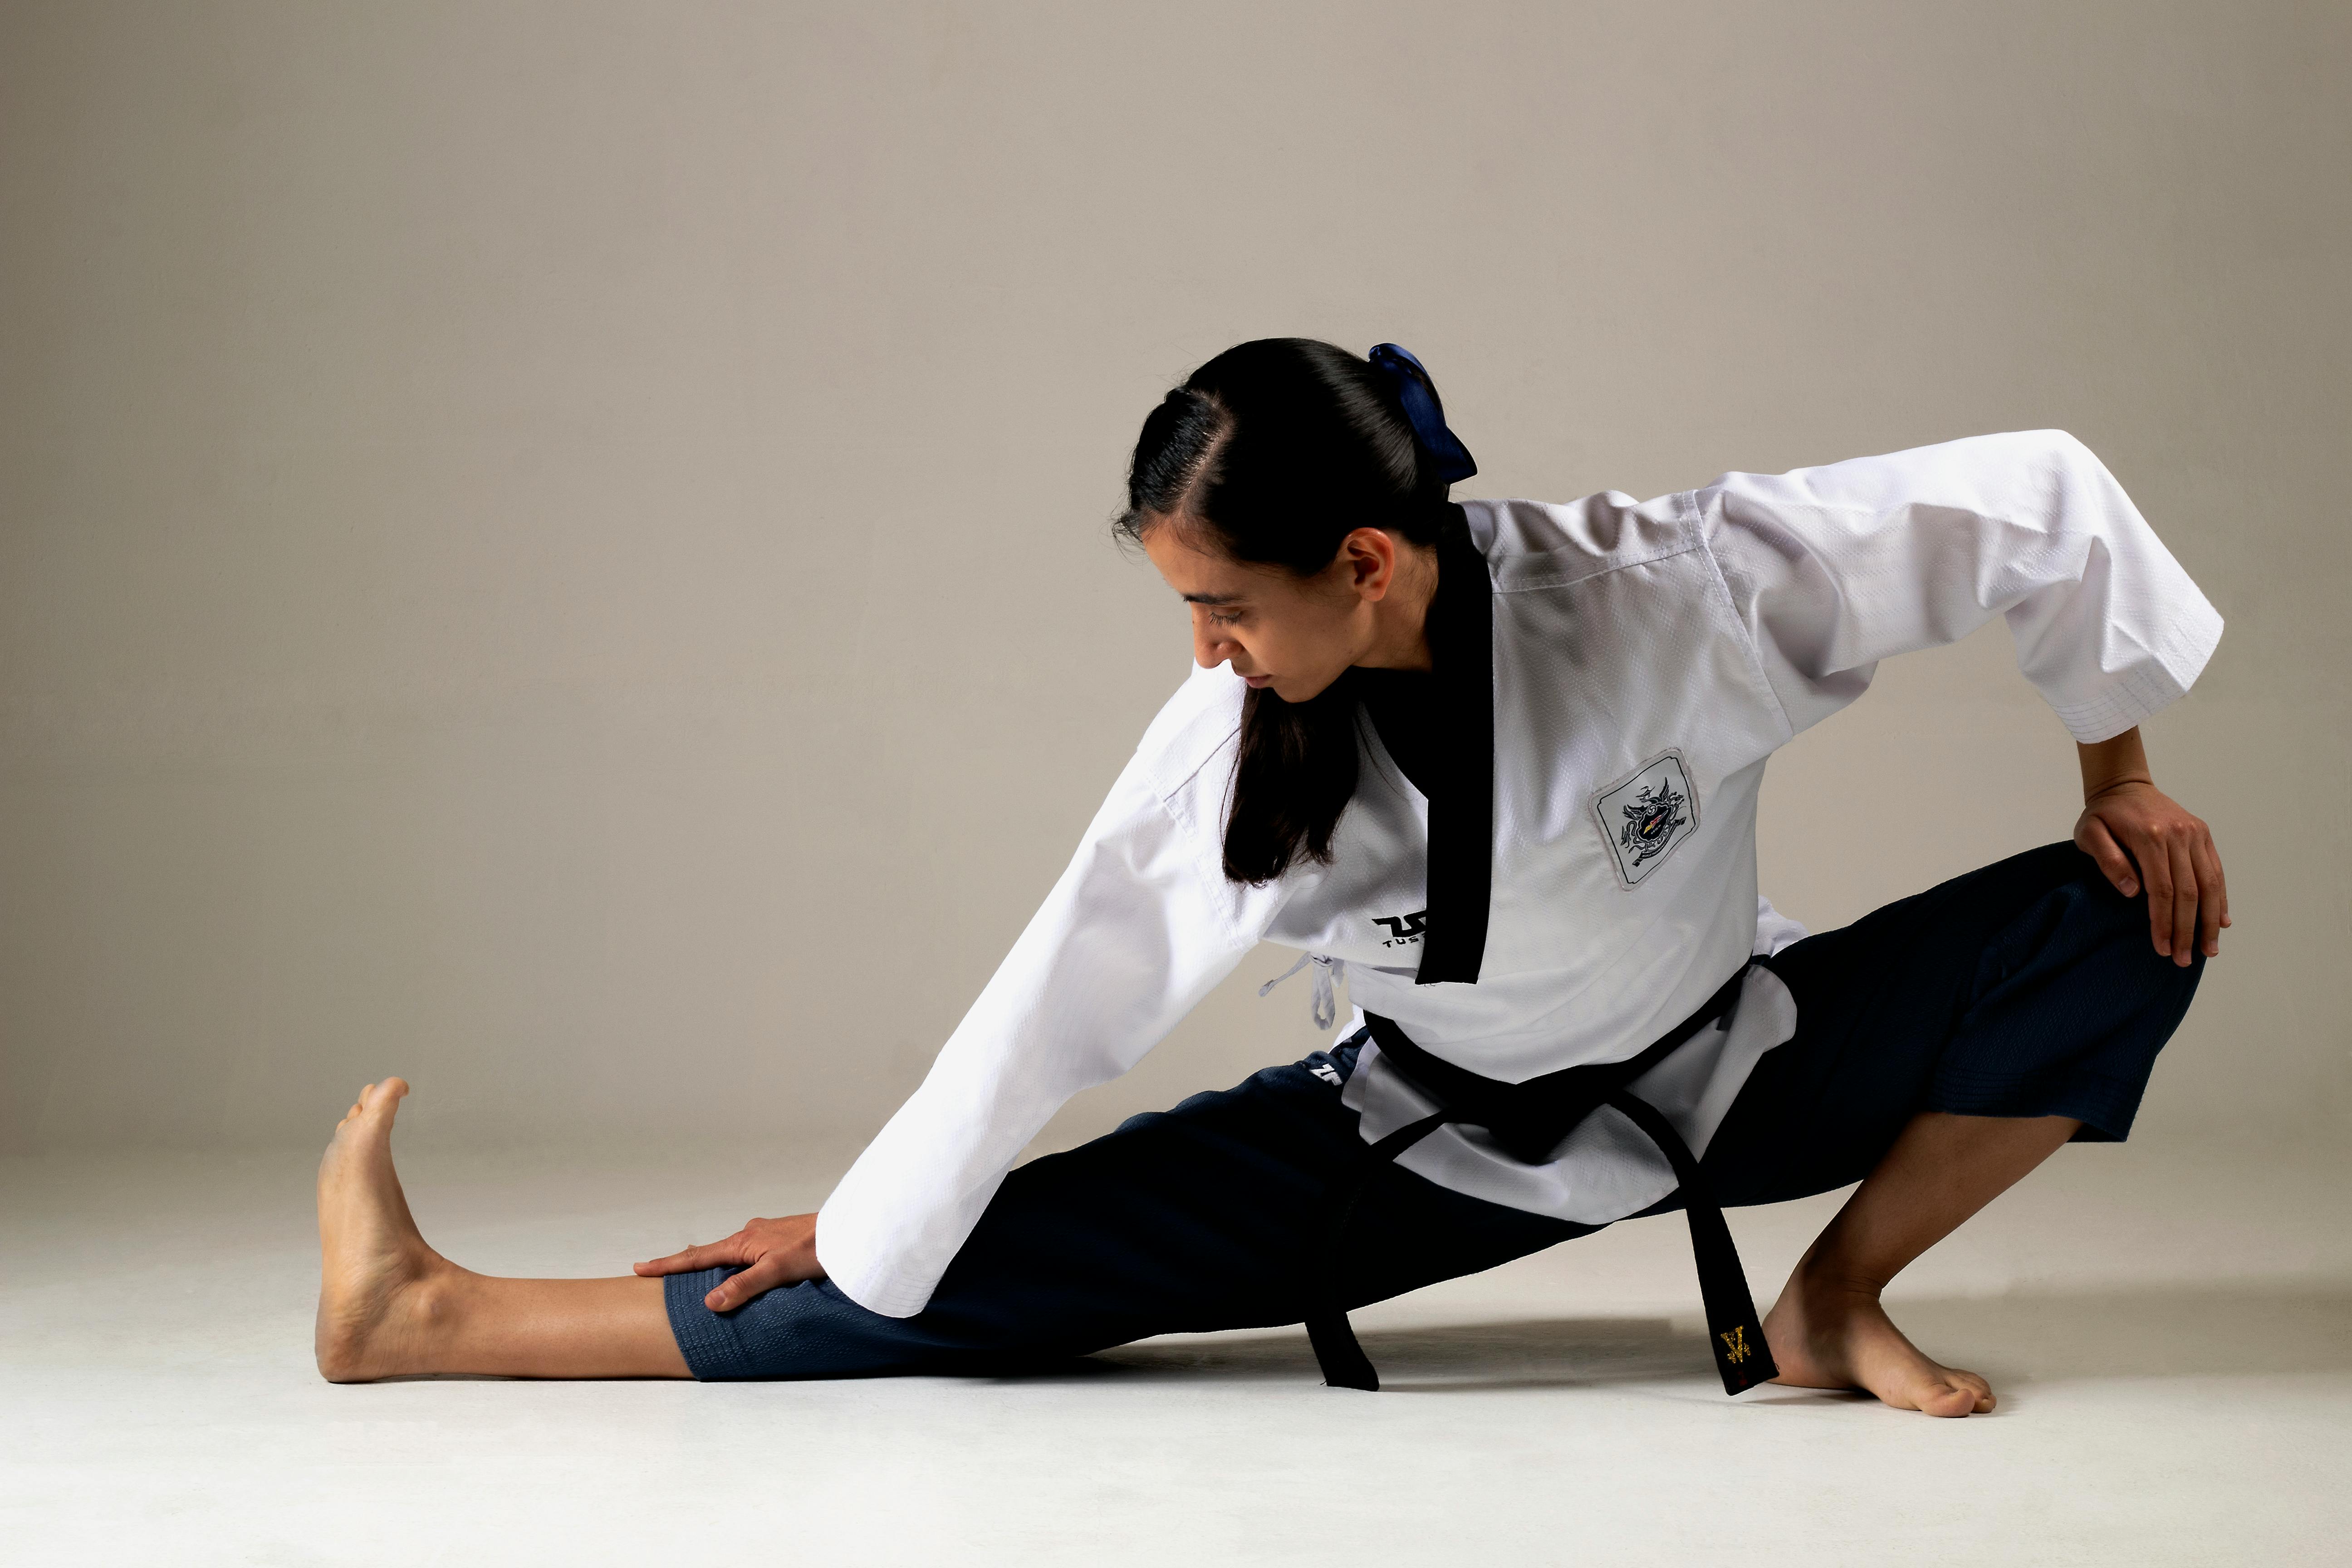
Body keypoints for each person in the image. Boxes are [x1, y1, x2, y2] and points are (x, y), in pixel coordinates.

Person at [315, 338, 2225, 1416]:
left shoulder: (1671, 596)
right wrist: (871, 1208)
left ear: (1370, 562)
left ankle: (1835, 1301)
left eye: (1226, 608)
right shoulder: (1228, 753)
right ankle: (430, 1313)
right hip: (1429, 1134)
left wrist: (2121, 770)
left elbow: (2034, 500)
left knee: (2125, 915)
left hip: (1744, 1060)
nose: (1204, 653)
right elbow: (1049, 1009)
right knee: (984, 1278)